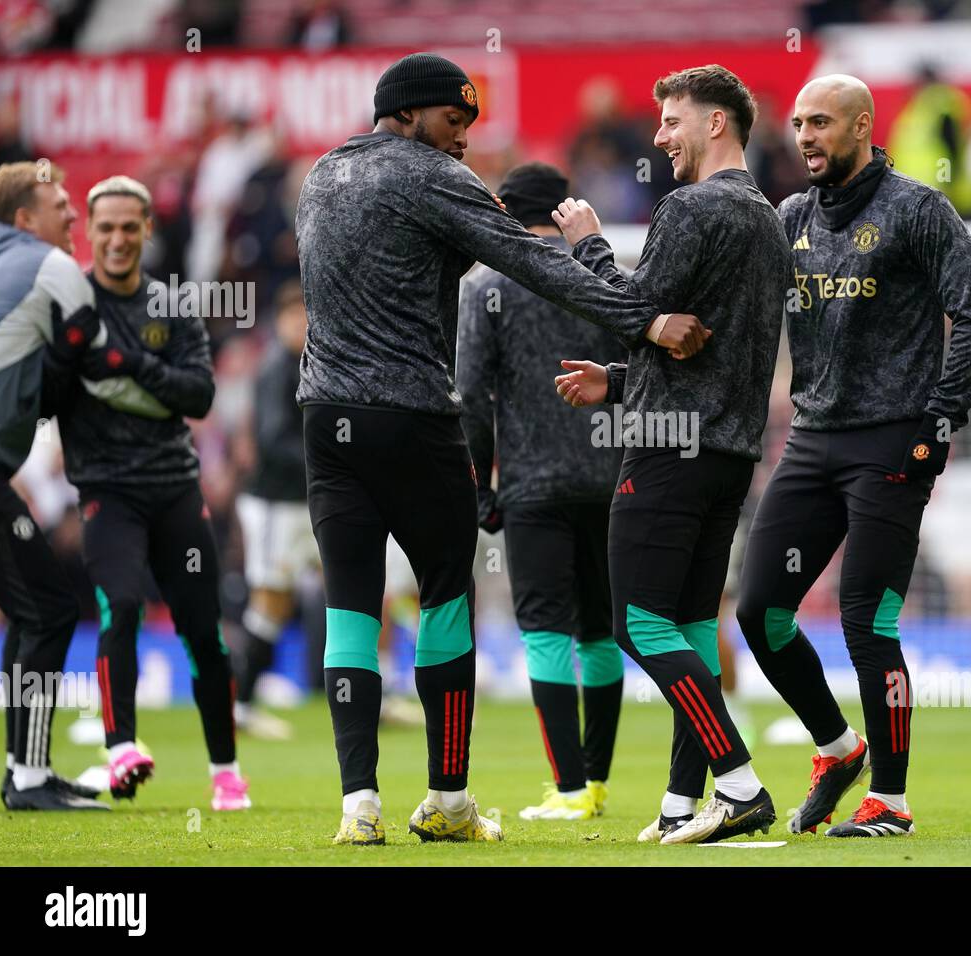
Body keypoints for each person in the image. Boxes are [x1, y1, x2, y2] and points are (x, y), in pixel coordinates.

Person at [295, 52, 708, 846]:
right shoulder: (431, 176)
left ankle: (359, 805)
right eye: (455, 122)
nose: (462, 141)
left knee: (351, 609)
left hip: (327, 419)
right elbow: (530, 260)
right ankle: (449, 799)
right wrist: (646, 321)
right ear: (410, 112)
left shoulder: (322, 174)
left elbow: (394, 266)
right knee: (447, 596)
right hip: (414, 420)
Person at [734, 75, 971, 838]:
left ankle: (891, 798)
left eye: (821, 122)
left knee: (865, 621)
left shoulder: (918, 208)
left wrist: (939, 424)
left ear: (862, 124)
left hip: (893, 441)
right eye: (796, 123)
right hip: (812, 440)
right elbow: (735, 319)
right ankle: (836, 747)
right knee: (760, 611)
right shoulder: (787, 217)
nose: (805, 135)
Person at [552, 64, 791, 844]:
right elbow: (703, 348)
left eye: (672, 121)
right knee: (689, 630)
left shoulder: (691, 207)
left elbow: (632, 309)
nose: (659, 137)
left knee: (639, 625)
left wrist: (587, 246)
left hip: (668, 449)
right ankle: (681, 805)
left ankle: (742, 784)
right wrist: (621, 382)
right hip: (727, 452)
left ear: (716, 123)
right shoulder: (767, 218)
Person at [53, 175, 249, 811]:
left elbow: (200, 395)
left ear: (146, 230)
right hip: (106, 492)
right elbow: (46, 392)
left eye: (128, 227)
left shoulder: (171, 303)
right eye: (105, 227)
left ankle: (226, 770)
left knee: (204, 632)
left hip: (173, 489)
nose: (116, 239)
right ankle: (121, 749)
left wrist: (130, 363)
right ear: (89, 230)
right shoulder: (67, 303)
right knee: (123, 605)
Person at [458, 162, 627, 822]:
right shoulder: (596, 273)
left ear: (503, 209)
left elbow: (471, 396)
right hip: (612, 482)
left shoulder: (487, 285)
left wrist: (481, 488)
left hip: (532, 485)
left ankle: (569, 787)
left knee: (545, 632)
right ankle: (599, 784)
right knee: (601, 633)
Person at [0, 161, 108, 810]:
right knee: (48, 606)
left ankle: (28, 770)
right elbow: (95, 361)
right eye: (59, 205)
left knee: (36, 605)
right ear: (24, 221)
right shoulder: (50, 265)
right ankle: (29, 776)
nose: (73, 215)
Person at [233, 281, 314, 741]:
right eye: (294, 318)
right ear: (281, 321)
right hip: (272, 506)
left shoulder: (310, 364)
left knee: (358, 586)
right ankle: (239, 703)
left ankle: (375, 694)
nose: (302, 325)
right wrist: (324, 455)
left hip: (304, 501)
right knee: (269, 601)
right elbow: (270, 441)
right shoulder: (274, 370)